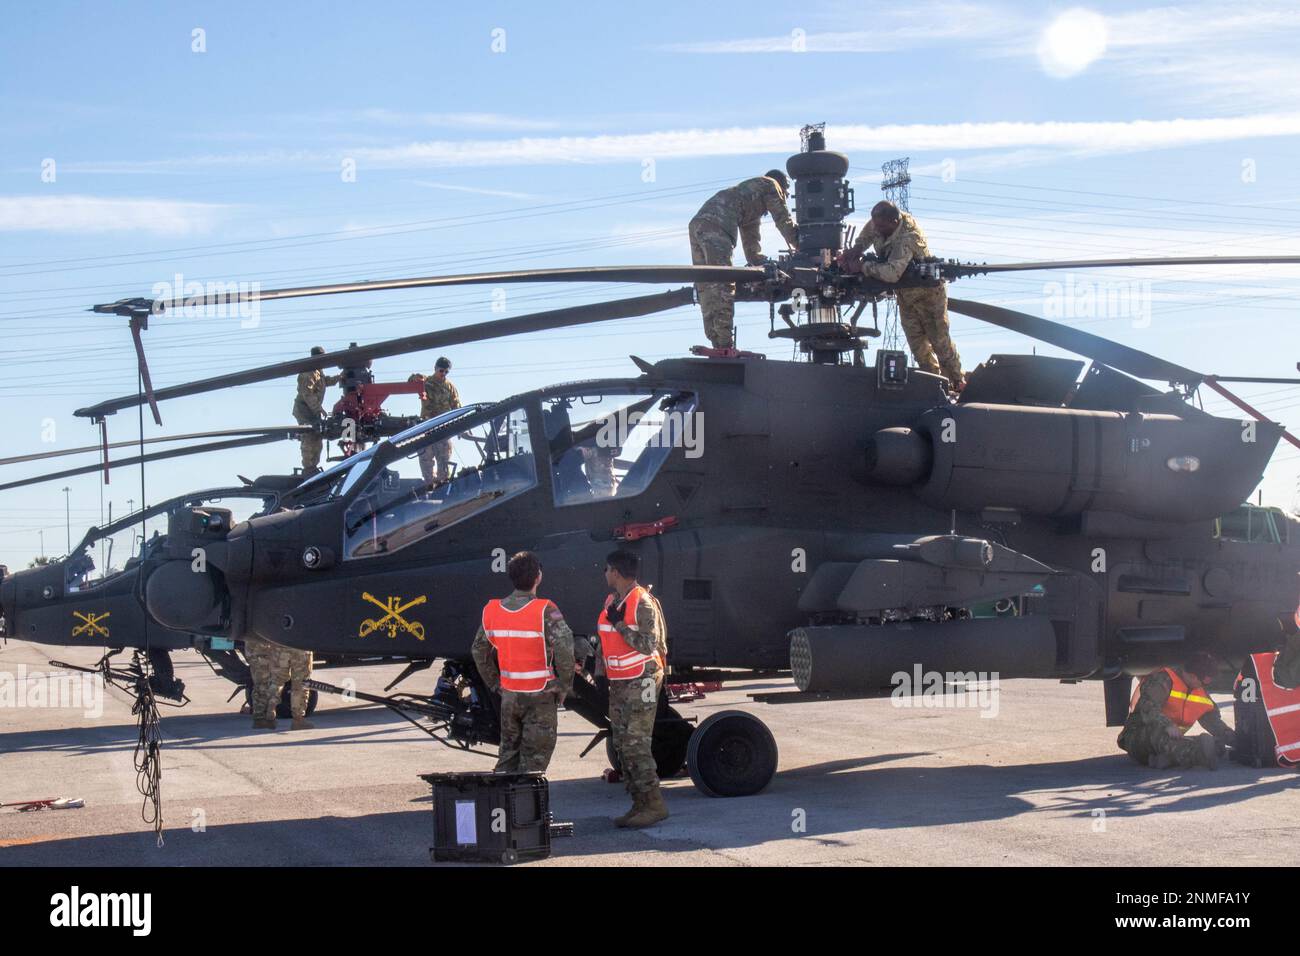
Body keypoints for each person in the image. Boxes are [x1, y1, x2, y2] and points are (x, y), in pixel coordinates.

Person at [840, 201, 965, 390]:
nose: (878, 230)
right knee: (918, 346)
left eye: (882, 227)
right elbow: (865, 238)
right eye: (876, 225)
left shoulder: (908, 237)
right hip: (905, 296)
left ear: (895, 221)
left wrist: (862, 266)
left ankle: (957, 381)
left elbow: (892, 273)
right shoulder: (877, 223)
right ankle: (934, 385)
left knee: (940, 341)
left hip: (928, 296)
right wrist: (853, 252)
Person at [471, 551, 575, 773]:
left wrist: (494, 682)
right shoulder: (545, 610)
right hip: (540, 697)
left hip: (509, 698)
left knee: (508, 757)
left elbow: (479, 650)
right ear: (538, 577)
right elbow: (565, 647)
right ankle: (525, 805)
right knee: (533, 765)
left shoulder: (493, 611)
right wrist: (564, 684)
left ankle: (500, 805)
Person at [598, 549, 669, 827]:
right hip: (620, 680)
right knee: (622, 744)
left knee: (636, 743)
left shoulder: (642, 602)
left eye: (606, 569)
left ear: (616, 572)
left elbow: (647, 644)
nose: (604, 574)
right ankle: (638, 803)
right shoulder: (614, 600)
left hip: (643, 679)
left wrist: (618, 625)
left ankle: (654, 804)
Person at [689, 172, 799, 350]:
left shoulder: (750, 197)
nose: (783, 198)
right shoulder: (771, 185)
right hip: (717, 226)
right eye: (784, 195)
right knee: (724, 283)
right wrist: (800, 243)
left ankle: (716, 340)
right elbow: (783, 220)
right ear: (782, 188)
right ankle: (725, 344)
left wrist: (758, 261)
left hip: (697, 224)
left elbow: (751, 242)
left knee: (706, 285)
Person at [1117, 652, 1235, 769]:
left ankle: (1165, 759)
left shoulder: (1198, 691)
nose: (1205, 686)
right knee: (1166, 738)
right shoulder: (1162, 680)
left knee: (1216, 744)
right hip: (1138, 736)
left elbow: (1213, 722)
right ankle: (1199, 756)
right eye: (1205, 682)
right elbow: (1148, 708)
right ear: (1193, 676)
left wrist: (1234, 739)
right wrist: (1167, 725)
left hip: (1171, 740)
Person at [292, 346, 340, 474]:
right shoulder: (308, 372)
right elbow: (307, 394)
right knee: (309, 436)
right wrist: (319, 409)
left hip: (313, 411)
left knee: (317, 437)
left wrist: (339, 378)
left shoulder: (318, 371)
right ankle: (308, 468)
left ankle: (313, 467)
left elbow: (324, 382)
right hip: (304, 411)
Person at [416, 356, 461, 487]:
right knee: (426, 458)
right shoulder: (426, 382)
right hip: (427, 427)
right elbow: (412, 380)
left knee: (444, 459)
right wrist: (416, 378)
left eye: (446, 372)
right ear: (435, 369)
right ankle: (429, 485)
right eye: (441, 371)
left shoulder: (450, 387)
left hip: (443, 428)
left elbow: (456, 406)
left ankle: (443, 486)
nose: (443, 374)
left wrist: (461, 426)